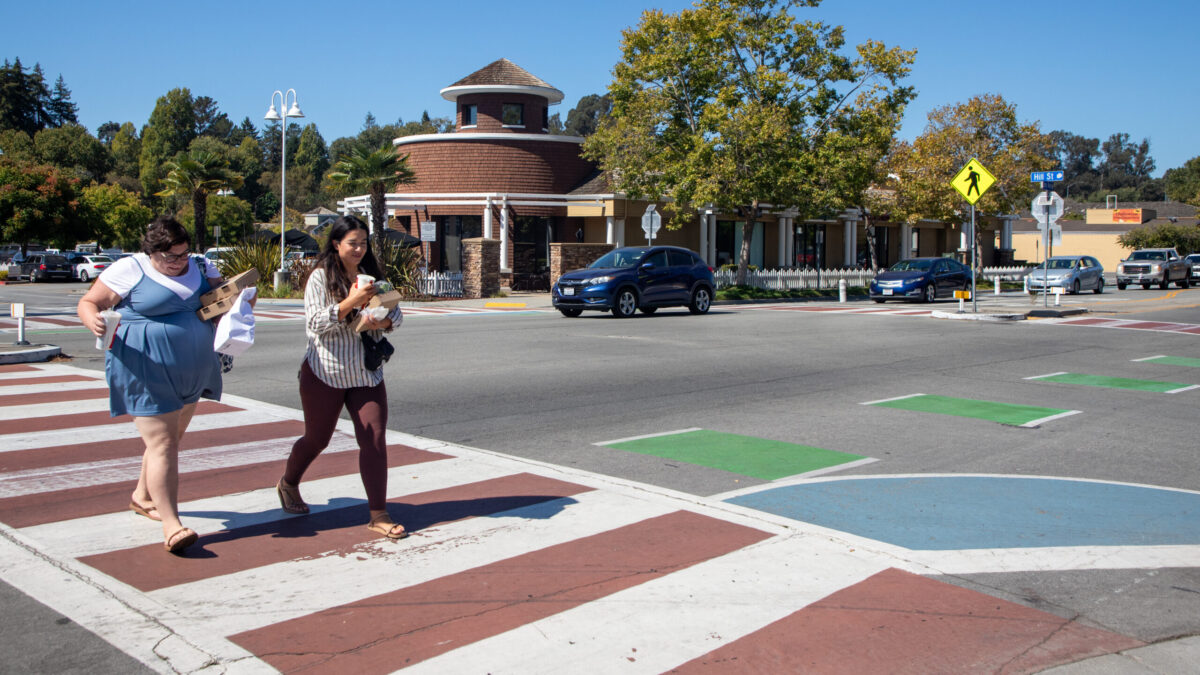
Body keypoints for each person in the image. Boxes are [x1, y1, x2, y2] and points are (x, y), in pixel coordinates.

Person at [77, 215, 224, 554]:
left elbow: (221, 303)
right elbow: (89, 302)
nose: (178, 262)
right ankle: (172, 525)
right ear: (152, 252)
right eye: (170, 257)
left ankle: (142, 496)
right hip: (143, 367)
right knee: (163, 443)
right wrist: (93, 321)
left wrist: (242, 303)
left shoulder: (201, 265)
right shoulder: (130, 268)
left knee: (171, 439)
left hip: (192, 369)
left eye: (183, 254)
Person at [276, 215, 407, 539]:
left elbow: (397, 313)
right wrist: (352, 302)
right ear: (336, 244)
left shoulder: (374, 276)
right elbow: (315, 324)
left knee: (374, 440)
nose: (359, 249)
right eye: (353, 243)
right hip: (326, 372)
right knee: (317, 439)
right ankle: (288, 483)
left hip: (366, 372)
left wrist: (384, 322)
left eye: (363, 243)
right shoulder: (321, 278)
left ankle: (378, 513)